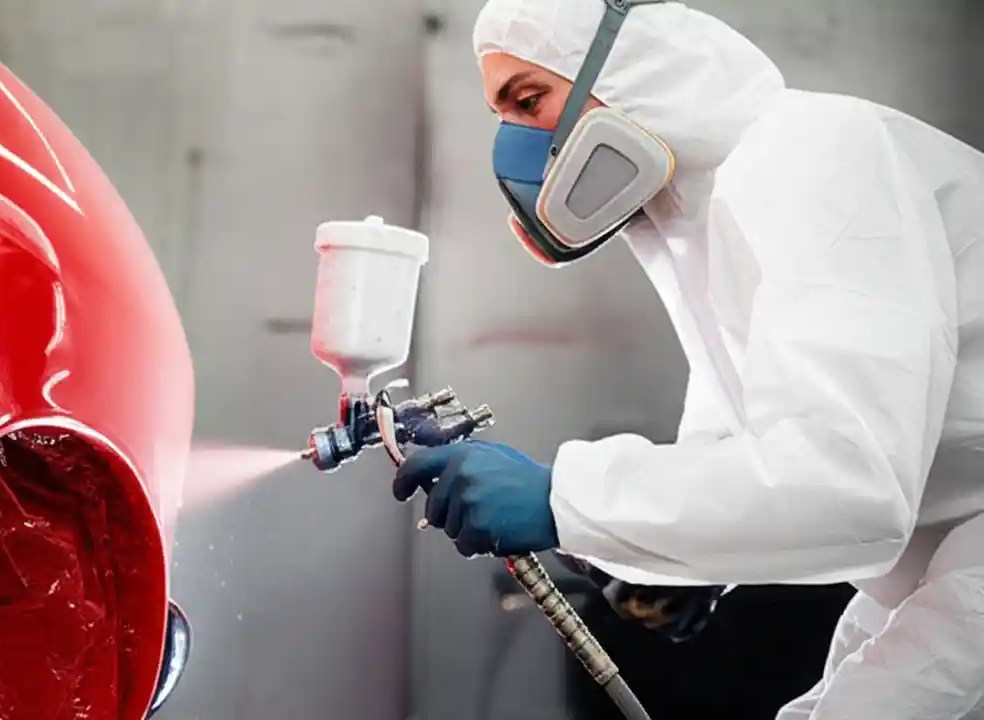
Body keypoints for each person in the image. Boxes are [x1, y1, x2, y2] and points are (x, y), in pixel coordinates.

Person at [392, 0, 984, 717]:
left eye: (529, 99)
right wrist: (673, 555)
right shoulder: (701, 220)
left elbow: (846, 481)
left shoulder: (812, 153)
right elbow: (745, 426)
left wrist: (564, 499)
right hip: (938, 557)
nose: (515, 144)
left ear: (624, 69)